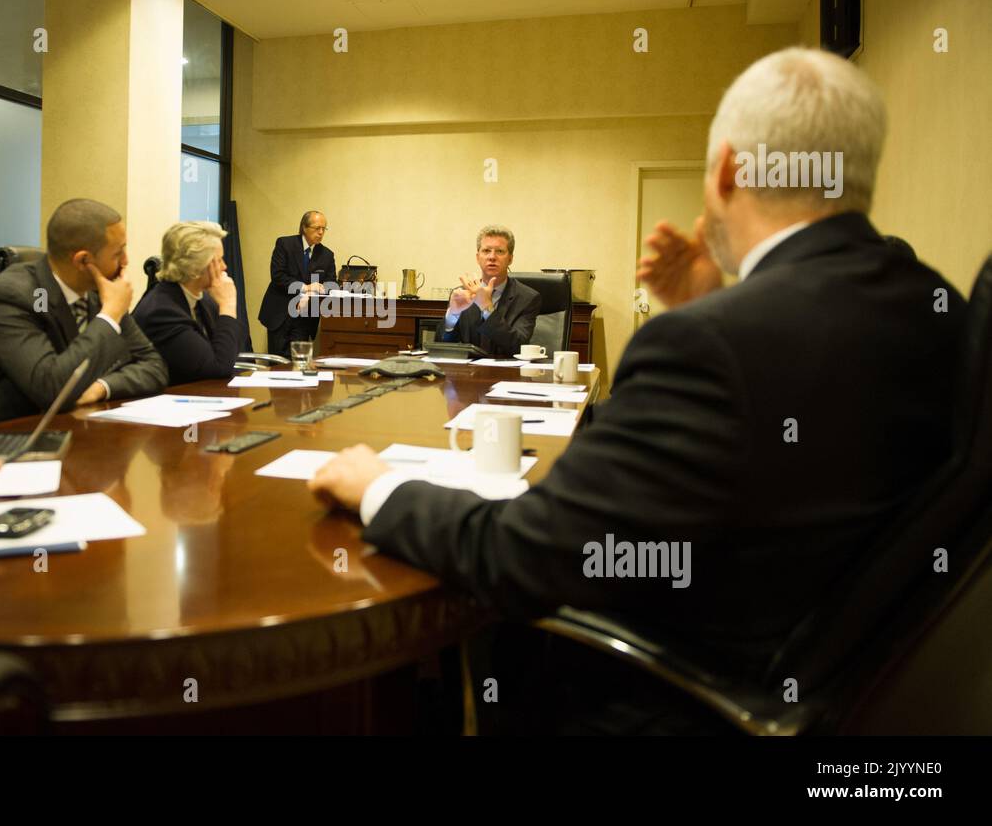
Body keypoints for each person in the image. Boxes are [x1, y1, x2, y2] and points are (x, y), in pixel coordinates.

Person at [308, 47, 968, 732]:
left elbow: (523, 556)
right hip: (826, 673)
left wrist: (380, 486)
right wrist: (706, 310)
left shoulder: (712, 346)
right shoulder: (935, 305)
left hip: (676, 688)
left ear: (728, 170)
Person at [0, 199, 168, 429]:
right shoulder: (14, 296)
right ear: (83, 260)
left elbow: (154, 366)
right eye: (118, 253)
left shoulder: (97, 293)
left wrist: (100, 387)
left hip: (63, 431)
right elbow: (52, 389)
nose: (126, 261)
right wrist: (110, 315)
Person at [133, 221, 245, 385]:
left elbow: (232, 348)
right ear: (196, 267)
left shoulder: (203, 298)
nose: (224, 267)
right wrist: (227, 305)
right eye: (219, 260)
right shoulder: (162, 310)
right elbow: (218, 368)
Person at [435, 225, 541, 357]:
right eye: (486, 251)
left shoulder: (527, 298)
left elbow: (518, 347)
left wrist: (487, 308)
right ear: (478, 257)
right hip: (468, 374)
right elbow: (442, 347)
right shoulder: (461, 294)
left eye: (500, 251)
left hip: (507, 372)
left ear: (510, 259)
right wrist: (453, 315)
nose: (492, 257)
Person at [257, 211, 336, 357]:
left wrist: (310, 294)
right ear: (304, 227)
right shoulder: (285, 244)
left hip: (305, 318)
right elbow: (278, 276)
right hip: (280, 314)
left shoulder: (326, 255)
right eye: (317, 228)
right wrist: (305, 287)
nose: (320, 232)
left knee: (298, 363)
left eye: (323, 229)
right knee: (277, 364)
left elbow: (331, 285)